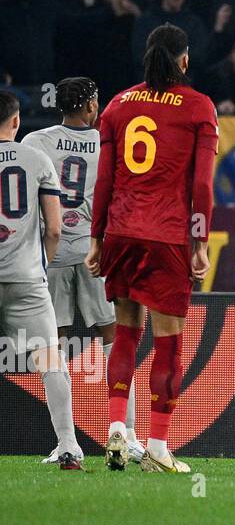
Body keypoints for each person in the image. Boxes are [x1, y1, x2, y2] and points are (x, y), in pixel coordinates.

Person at [87, 24, 219, 474]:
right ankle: (159, 447)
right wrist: (199, 240)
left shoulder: (118, 105)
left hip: (122, 232)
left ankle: (116, 428)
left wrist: (96, 237)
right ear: (184, 60)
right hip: (166, 236)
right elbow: (201, 184)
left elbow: (103, 180)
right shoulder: (199, 107)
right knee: (168, 343)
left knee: (125, 333)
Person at [24, 78, 144, 464]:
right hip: (99, 254)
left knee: (51, 347)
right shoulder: (111, 142)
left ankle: (66, 444)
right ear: (92, 105)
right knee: (116, 339)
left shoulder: (35, 142)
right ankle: (129, 436)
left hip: (50, 254)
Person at [0, 91, 81, 469]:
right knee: (50, 360)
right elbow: (54, 228)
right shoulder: (36, 159)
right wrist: (41, 266)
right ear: (15, 121)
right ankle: (68, 446)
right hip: (28, 279)